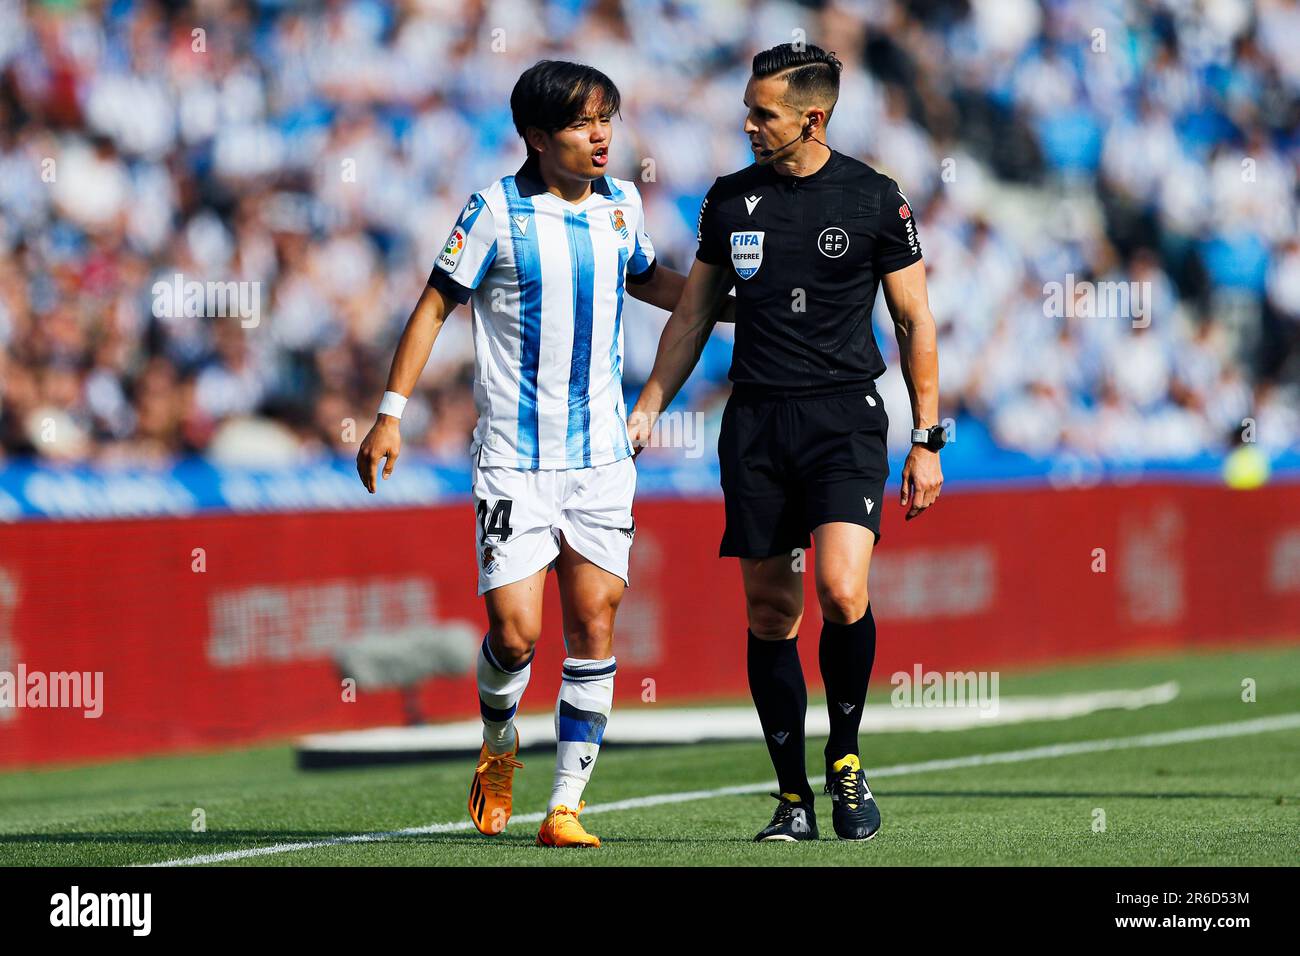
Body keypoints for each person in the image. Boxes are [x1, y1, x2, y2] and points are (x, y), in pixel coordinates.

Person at [357, 60, 690, 848]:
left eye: (606, 117)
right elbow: (436, 304)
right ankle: (500, 742)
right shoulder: (496, 212)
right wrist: (389, 415)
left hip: (604, 457)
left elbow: (648, 279)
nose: (601, 134)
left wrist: (733, 303)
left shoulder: (623, 205)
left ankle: (565, 805)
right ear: (538, 139)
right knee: (514, 635)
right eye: (581, 123)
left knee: (596, 622)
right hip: (513, 456)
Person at [628, 42, 945, 842]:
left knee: (841, 590)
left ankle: (844, 758)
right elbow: (695, 313)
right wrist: (651, 405)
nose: (748, 123)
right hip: (758, 423)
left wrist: (928, 438)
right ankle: (792, 797)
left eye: (763, 113)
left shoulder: (876, 199)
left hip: (844, 418)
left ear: (813, 117)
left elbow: (914, 321)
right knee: (772, 612)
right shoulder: (730, 200)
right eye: (748, 107)